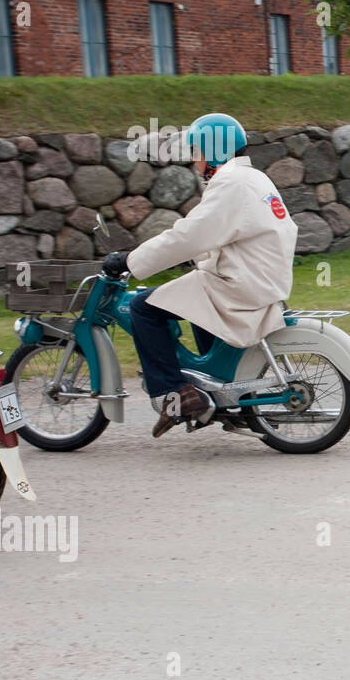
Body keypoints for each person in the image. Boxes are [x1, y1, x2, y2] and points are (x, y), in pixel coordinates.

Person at [101, 113, 298, 438]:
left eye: (197, 152)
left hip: (240, 283)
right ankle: (217, 392)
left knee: (142, 308)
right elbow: (216, 233)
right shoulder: (252, 178)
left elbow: (189, 235)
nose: (194, 161)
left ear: (213, 150)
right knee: (189, 302)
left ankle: (176, 393)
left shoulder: (231, 183)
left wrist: (130, 260)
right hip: (259, 277)